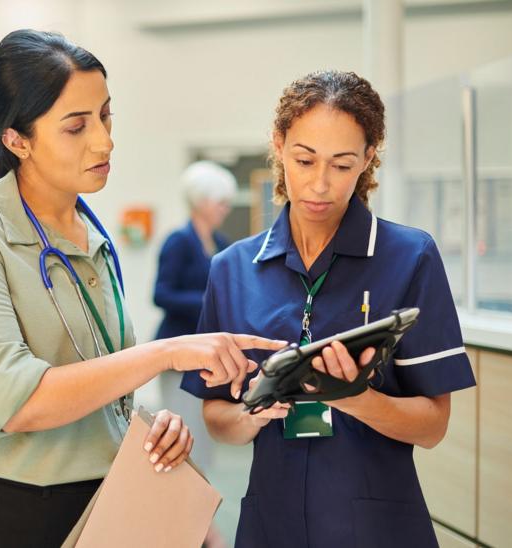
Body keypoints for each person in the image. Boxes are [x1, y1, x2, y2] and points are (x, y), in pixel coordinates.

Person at [0, 29, 284, 548]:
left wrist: (149, 426)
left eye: (106, 115)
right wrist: (167, 352)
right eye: (76, 127)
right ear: (17, 140)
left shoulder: (92, 234)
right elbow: (18, 402)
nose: (104, 140)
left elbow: (102, 385)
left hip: (104, 504)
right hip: (4, 513)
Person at [181, 70, 477, 548]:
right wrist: (253, 412)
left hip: (377, 526)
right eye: (304, 160)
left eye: (341, 165)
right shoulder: (232, 268)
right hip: (269, 523)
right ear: (279, 146)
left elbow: (432, 426)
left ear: (368, 158)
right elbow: (218, 416)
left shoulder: (410, 257)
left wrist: (352, 396)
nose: (319, 184)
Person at [153, 160, 236, 548]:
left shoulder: (219, 244)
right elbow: (162, 293)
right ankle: (206, 532)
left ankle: (196, 526)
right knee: (183, 447)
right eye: (219, 201)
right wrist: (207, 300)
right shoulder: (178, 241)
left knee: (202, 448)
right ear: (201, 201)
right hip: (177, 360)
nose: (224, 208)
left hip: (208, 364)